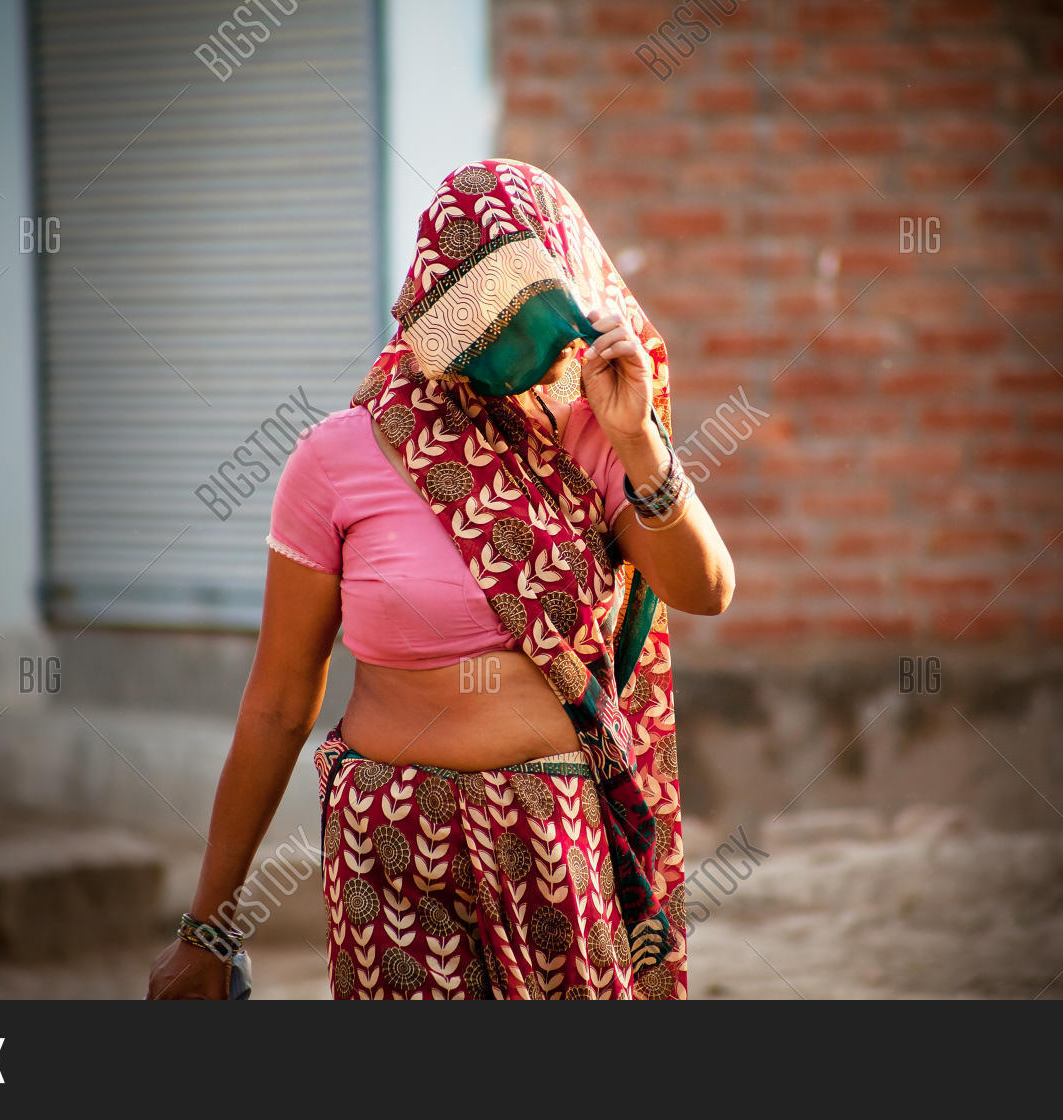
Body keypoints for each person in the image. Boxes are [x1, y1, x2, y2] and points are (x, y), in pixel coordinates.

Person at [147, 159, 733, 999]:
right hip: (386, 845)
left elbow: (707, 587)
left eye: (529, 297)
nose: (504, 326)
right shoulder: (339, 456)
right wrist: (209, 925)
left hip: (551, 840)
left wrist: (640, 439)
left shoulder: (592, 435)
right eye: (481, 302)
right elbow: (279, 701)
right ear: (436, 296)